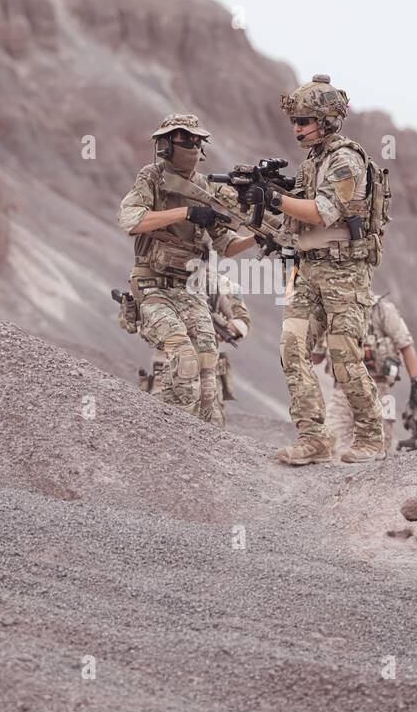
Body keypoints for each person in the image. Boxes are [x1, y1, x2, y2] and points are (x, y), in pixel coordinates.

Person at [255, 75, 384, 465]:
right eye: (294, 121)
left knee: (344, 354)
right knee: (292, 348)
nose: (296, 129)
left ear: (328, 121)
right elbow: (298, 216)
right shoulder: (315, 160)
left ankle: (371, 435)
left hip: (345, 275)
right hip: (309, 271)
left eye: (304, 121)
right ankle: (314, 437)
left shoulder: (345, 160)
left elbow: (323, 212)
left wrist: (275, 198)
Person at [116, 114, 253, 422]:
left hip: (189, 290)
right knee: (183, 358)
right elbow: (132, 220)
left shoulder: (204, 187)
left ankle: (207, 445)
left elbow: (227, 246)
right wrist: (187, 213)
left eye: (194, 140)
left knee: (208, 366)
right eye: (182, 139)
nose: (190, 146)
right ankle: (161, 432)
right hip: (153, 287)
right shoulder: (151, 177)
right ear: (164, 145)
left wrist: (257, 236)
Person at [314, 293, 417, 452]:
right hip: (342, 391)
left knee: (377, 449)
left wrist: (416, 382)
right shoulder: (329, 311)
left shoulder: (380, 309)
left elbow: (405, 344)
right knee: (332, 443)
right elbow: (316, 358)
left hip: (378, 389)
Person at [142, 263, 251, 427]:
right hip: (170, 366)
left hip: (208, 370)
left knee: (209, 429)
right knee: (161, 424)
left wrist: (229, 328)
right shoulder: (162, 279)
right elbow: (140, 320)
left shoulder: (222, 285)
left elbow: (242, 321)